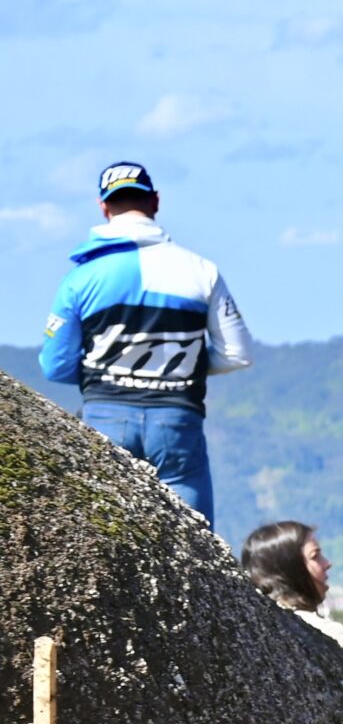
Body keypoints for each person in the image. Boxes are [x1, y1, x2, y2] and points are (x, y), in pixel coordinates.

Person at [37, 162, 252, 524]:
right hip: (177, 417)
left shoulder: (80, 278)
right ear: (155, 201)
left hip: (105, 415)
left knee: (105, 538)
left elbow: (54, 365)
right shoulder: (201, 270)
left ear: (103, 208)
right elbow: (238, 353)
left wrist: (112, 372)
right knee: (195, 548)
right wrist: (179, 366)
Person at [240, 520, 343, 649]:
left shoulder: (249, 635)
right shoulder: (333, 636)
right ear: (292, 569)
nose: (327, 564)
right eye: (315, 556)